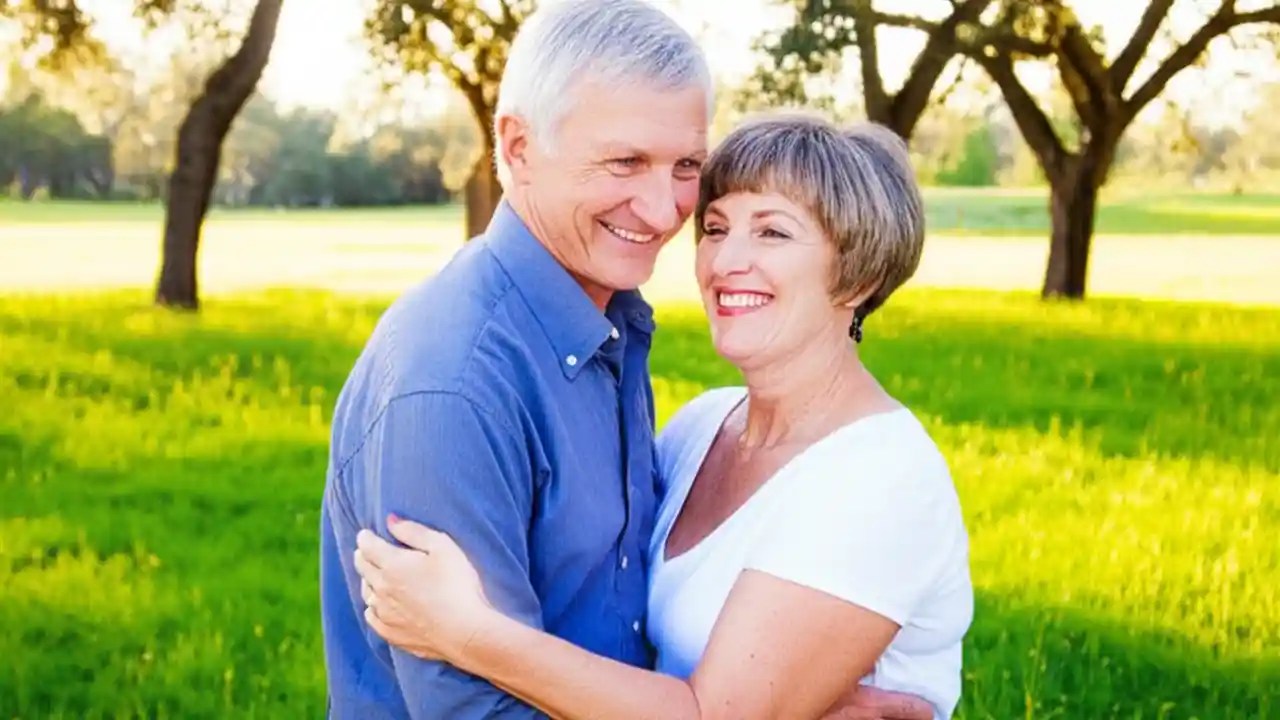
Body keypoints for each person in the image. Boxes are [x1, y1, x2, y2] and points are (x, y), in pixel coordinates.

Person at [321, 0, 934, 717]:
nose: (663, 209)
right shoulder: (455, 387)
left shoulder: (608, 334)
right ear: (518, 147)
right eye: (625, 162)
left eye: (686, 167)